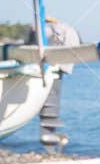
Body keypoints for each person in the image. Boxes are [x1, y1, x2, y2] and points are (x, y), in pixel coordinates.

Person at [27, 14, 80, 148]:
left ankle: (48, 131)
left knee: (51, 98)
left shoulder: (39, 29)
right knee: (52, 97)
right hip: (55, 64)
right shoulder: (67, 29)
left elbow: (29, 45)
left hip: (44, 64)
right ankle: (49, 131)